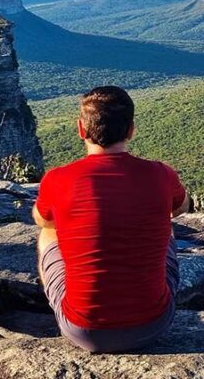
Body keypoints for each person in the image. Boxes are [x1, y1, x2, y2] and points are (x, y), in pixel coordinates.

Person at [32, 85, 190, 353]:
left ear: (81, 129)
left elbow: (41, 219)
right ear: (131, 130)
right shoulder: (160, 173)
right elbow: (181, 208)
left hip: (83, 331)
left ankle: (65, 300)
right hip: (154, 324)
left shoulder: (57, 178)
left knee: (48, 232)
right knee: (166, 224)